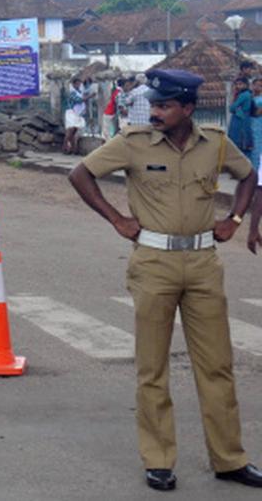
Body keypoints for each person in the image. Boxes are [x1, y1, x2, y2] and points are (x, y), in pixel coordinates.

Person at [69, 68, 262, 492]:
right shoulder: (132, 143)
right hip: (153, 262)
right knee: (152, 367)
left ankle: (229, 459)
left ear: (188, 109)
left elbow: (249, 176)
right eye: (153, 105)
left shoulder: (215, 144)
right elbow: (80, 174)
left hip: (203, 263)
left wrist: (234, 220)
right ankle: (158, 461)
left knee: (217, 366)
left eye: (164, 106)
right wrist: (117, 219)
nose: (154, 112)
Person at [229, 77, 253, 157]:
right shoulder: (247, 94)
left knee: (239, 142)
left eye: (240, 84)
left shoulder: (244, 95)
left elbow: (232, 108)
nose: (238, 86)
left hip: (240, 120)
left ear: (246, 85)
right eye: (237, 84)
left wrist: (236, 110)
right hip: (244, 118)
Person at [64, 77, 87, 155]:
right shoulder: (72, 92)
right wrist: (90, 96)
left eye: (79, 84)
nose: (78, 85)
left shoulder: (79, 92)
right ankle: (65, 147)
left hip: (77, 113)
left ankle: (73, 149)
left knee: (74, 131)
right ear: (73, 84)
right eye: (77, 84)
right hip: (71, 112)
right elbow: (78, 100)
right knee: (70, 131)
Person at [251, 77, 262, 173]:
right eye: (256, 85)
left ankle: (256, 170)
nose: (257, 87)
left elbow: (257, 113)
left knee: (257, 147)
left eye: (260, 86)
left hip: (258, 124)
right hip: (249, 124)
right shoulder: (248, 97)